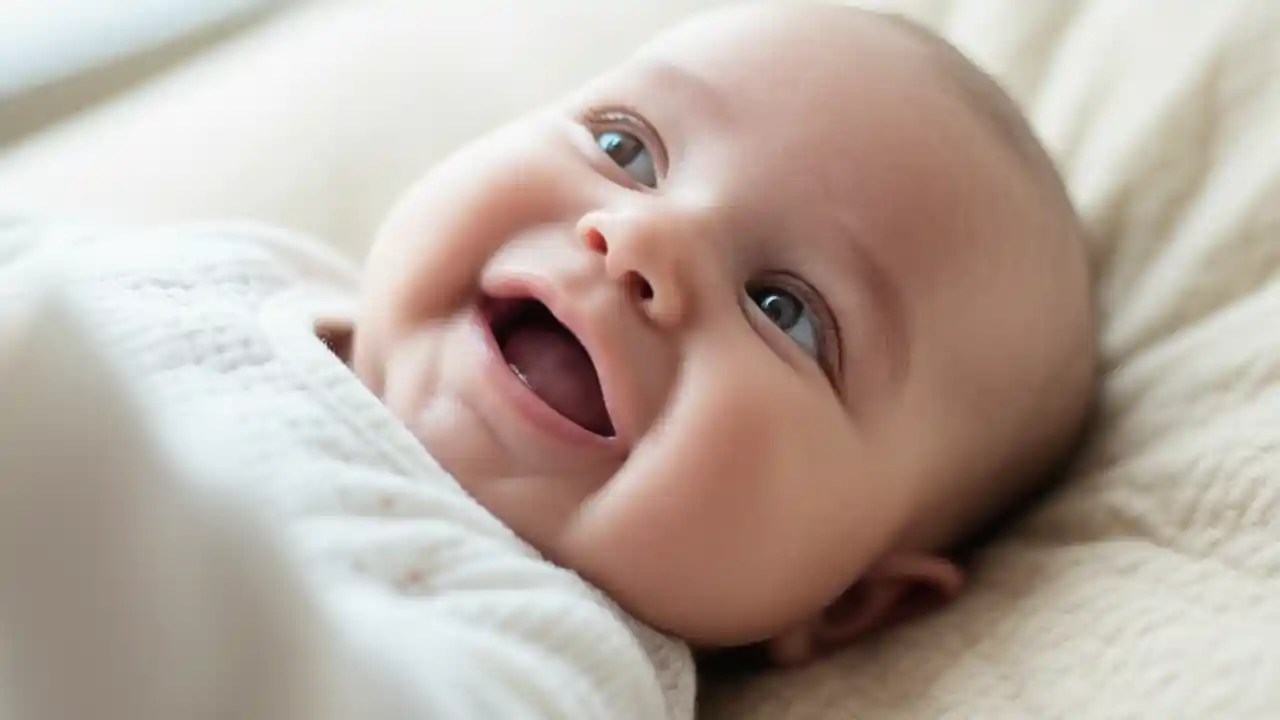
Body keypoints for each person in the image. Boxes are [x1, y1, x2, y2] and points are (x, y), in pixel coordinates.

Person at [0, 4, 1094, 717]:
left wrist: (46, 443)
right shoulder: (243, 268)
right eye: (626, 148)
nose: (645, 242)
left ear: (853, 604)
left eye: (785, 311)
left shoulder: (553, 651)